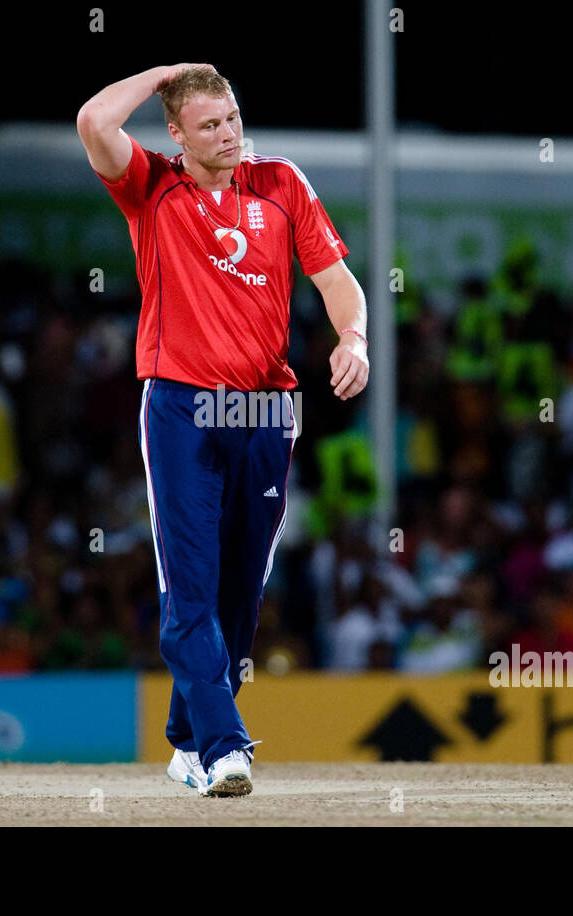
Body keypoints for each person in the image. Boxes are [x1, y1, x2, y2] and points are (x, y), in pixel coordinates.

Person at [77, 65, 368, 796]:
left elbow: (337, 280)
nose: (229, 134)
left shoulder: (282, 182)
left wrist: (354, 338)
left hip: (267, 411)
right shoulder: (150, 186)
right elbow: (92, 122)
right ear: (175, 133)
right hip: (181, 407)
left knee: (242, 591)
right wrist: (163, 76)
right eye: (209, 125)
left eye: (233, 118)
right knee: (191, 587)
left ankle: (185, 740)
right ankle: (224, 747)